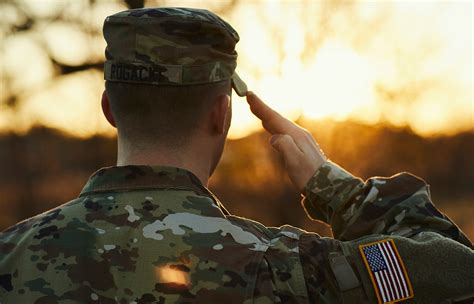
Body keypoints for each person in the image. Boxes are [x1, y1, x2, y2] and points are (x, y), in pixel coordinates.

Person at [0, 7, 473, 304]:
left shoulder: (10, 257)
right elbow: (457, 269)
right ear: (222, 114)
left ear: (109, 108)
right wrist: (330, 185)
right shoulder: (284, 268)